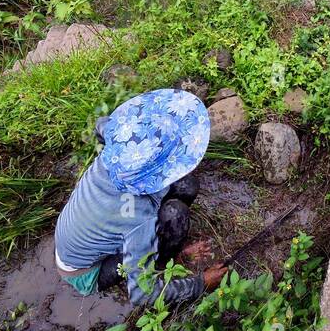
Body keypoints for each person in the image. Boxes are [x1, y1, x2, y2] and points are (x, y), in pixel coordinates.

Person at [54, 88, 228, 305]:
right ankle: (166, 260)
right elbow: (143, 294)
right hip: (86, 272)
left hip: (74, 236)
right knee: (175, 215)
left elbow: (102, 124)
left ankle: (159, 249)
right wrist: (201, 283)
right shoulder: (137, 219)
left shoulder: (120, 143)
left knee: (187, 184)